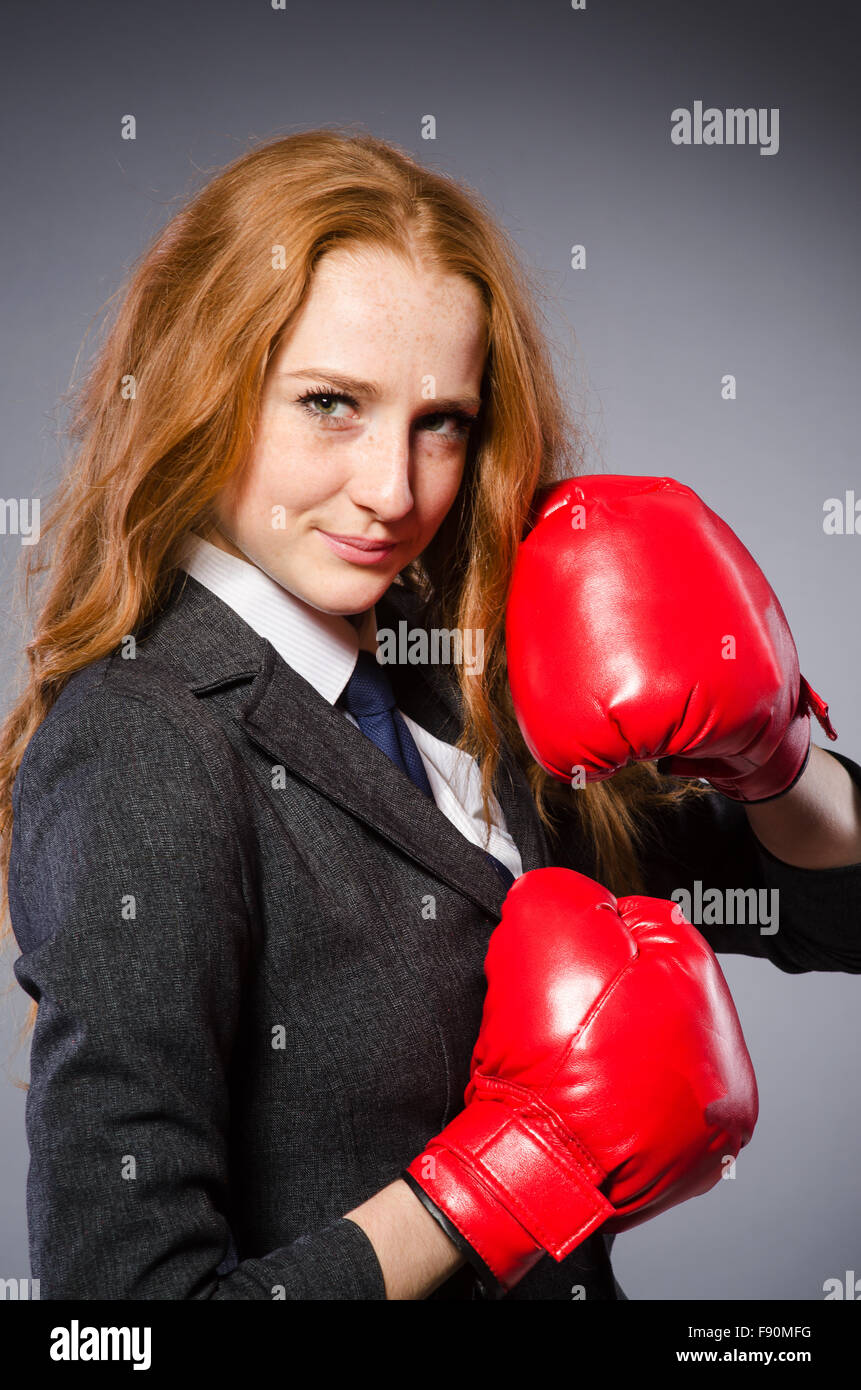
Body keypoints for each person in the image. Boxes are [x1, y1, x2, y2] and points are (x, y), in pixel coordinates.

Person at [1, 129, 859, 1301]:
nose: (394, 490)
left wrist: (773, 750)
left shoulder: (464, 679)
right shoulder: (143, 741)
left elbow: (832, 913)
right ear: (206, 386)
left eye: (440, 420)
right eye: (329, 404)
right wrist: (497, 1183)